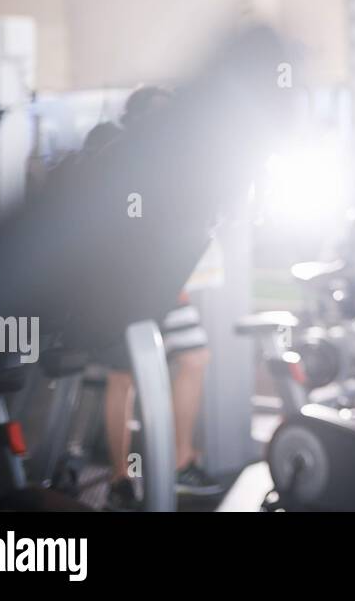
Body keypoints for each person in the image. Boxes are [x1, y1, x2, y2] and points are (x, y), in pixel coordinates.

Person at [93, 85, 223, 510]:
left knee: (195, 356)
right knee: (124, 377)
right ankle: (119, 477)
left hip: (164, 288)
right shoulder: (120, 161)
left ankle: (180, 460)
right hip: (119, 291)